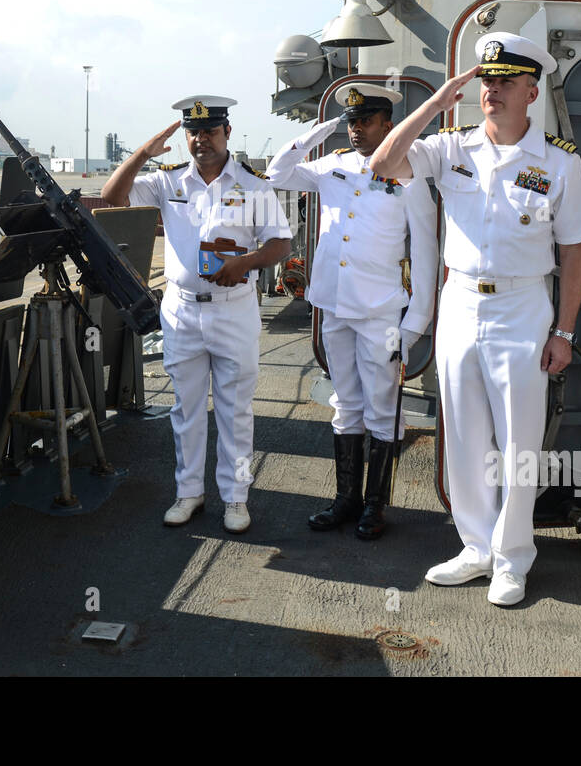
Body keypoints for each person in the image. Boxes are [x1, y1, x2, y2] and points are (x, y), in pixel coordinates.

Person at [370, 33, 581, 606]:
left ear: (531, 88)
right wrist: (433, 104)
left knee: (520, 438)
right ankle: (476, 547)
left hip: (523, 306)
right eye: (485, 80)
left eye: (504, 81)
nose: (491, 89)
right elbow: (383, 163)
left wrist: (564, 332)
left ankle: (513, 556)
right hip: (461, 302)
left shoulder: (558, 161)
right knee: (465, 435)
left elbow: (575, 250)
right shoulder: (451, 147)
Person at [102, 97, 292, 534]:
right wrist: (142, 153)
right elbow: (112, 197)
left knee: (236, 411)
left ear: (226, 132)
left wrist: (246, 263)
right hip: (182, 311)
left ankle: (237, 497)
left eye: (209, 131)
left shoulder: (253, 185)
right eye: (194, 132)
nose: (200, 139)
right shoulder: (168, 181)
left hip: (234, 312)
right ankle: (189, 493)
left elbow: (281, 244)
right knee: (185, 409)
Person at [265, 82, 437, 539]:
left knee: (382, 408)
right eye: (352, 122)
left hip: (381, 310)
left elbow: (425, 249)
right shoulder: (332, 165)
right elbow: (279, 173)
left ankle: (375, 507)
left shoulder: (409, 176)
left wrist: (417, 320)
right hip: (334, 304)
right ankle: (345, 499)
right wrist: (319, 132)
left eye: (365, 121)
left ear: (388, 124)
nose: (357, 129)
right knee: (345, 404)